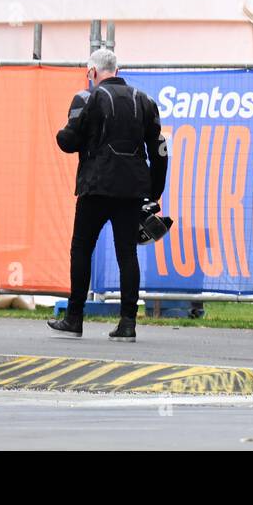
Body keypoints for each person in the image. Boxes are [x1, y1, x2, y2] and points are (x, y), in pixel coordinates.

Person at [47, 49, 168, 342]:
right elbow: (161, 151)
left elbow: (69, 140)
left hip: (96, 187)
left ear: (92, 71)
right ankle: (128, 323)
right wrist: (154, 192)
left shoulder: (87, 98)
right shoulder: (144, 100)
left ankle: (74, 318)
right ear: (118, 69)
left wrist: (62, 136)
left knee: (82, 247)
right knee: (126, 252)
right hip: (132, 191)